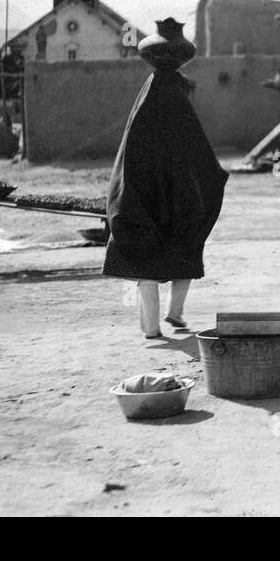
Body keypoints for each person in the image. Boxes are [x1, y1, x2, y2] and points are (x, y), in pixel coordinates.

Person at [102, 18, 229, 339]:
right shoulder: (175, 90)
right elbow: (197, 149)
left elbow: (131, 151)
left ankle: (152, 327)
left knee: (146, 258)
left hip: (142, 193)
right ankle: (173, 314)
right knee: (185, 246)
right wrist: (212, 177)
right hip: (176, 193)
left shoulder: (152, 89)